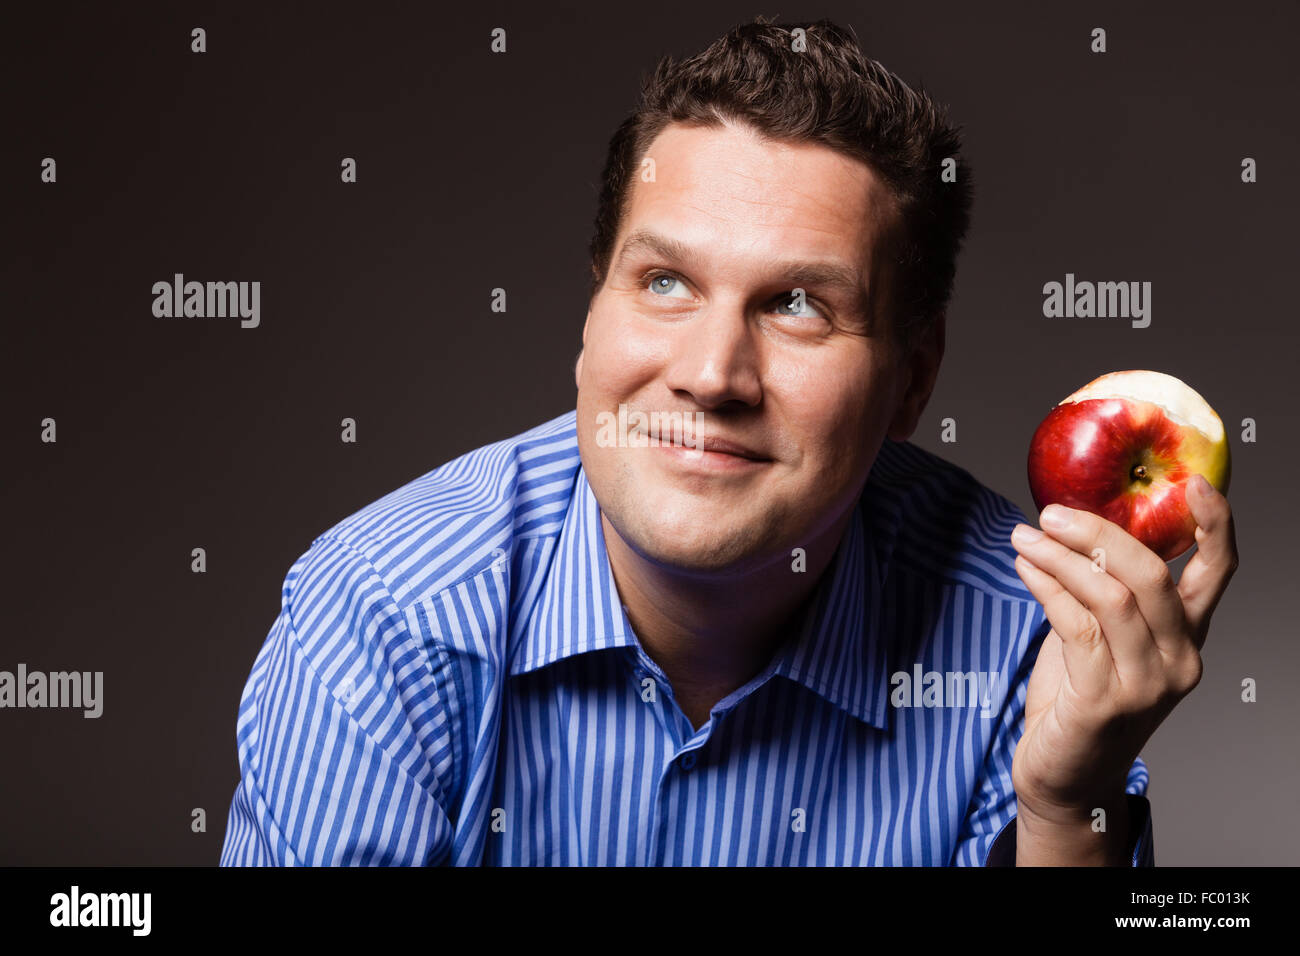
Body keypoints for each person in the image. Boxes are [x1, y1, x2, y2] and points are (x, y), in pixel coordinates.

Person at [219, 16, 1237, 866]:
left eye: (796, 304)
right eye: (664, 282)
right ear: (594, 312)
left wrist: (1067, 806)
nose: (710, 374)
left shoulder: (1026, 644)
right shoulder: (384, 619)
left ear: (911, 380)